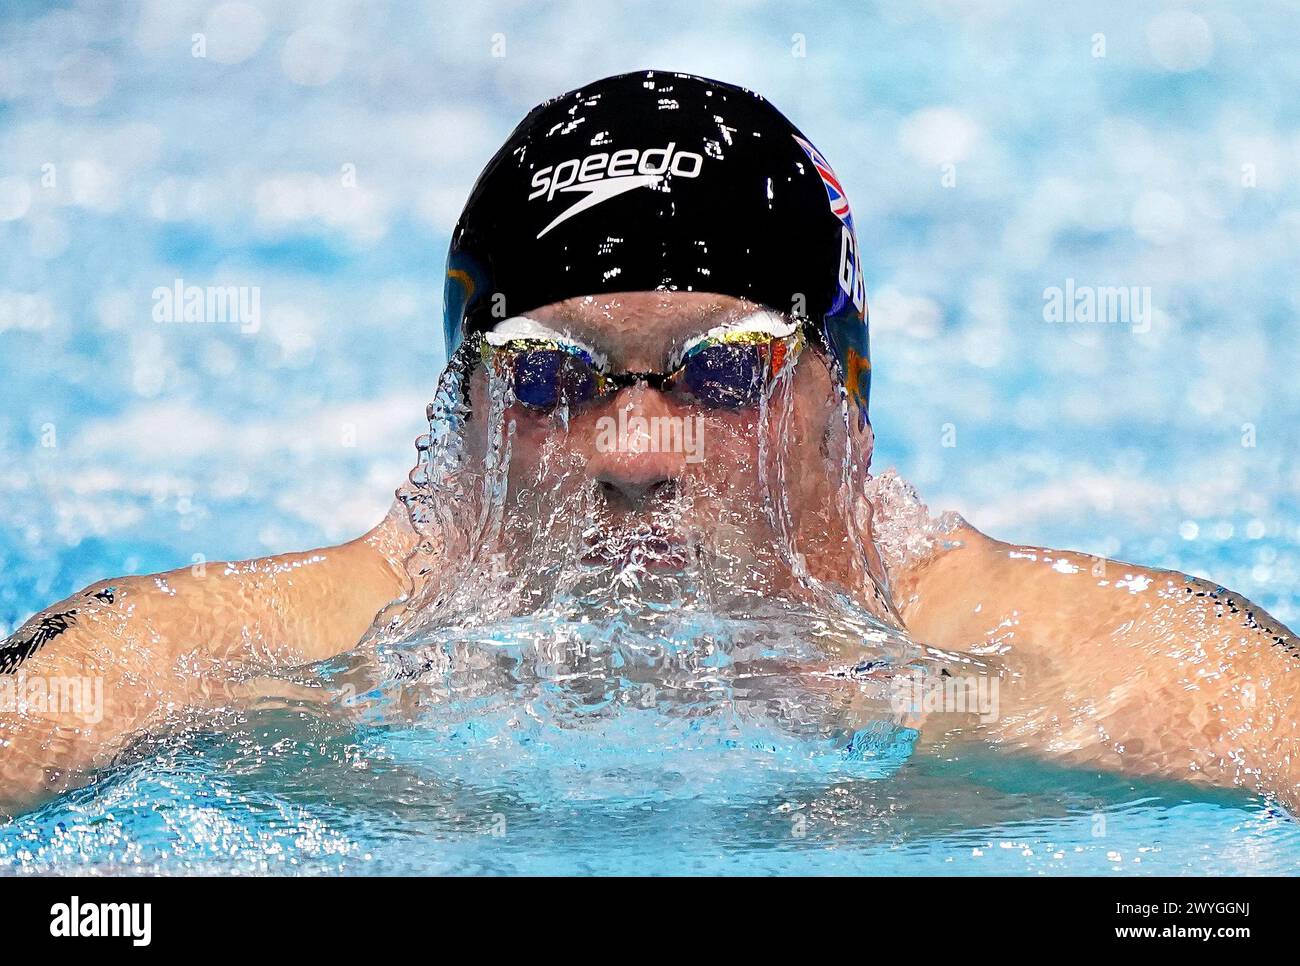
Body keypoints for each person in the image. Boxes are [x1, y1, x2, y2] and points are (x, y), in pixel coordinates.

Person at [3, 71, 1295, 817]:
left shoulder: (1062, 658)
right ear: (468, 411)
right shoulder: (273, 654)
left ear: (843, 390)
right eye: (552, 378)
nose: (631, 445)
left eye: (726, 372)